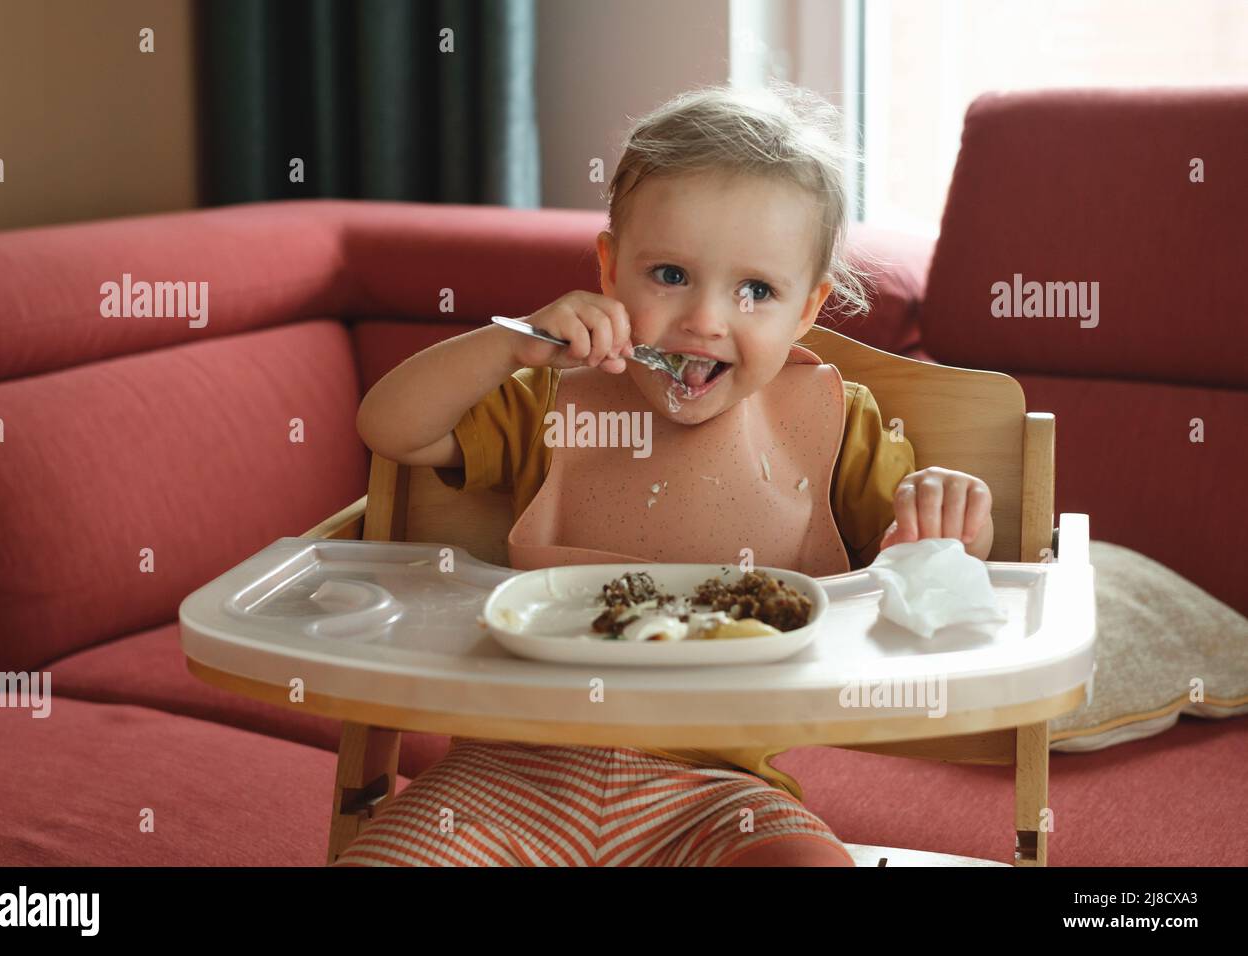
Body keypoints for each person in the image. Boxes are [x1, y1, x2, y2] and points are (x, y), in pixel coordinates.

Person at [345, 82, 994, 867]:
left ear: (808, 309)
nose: (705, 320)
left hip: (718, 794)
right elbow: (389, 427)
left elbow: (915, 575)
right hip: (509, 773)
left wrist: (943, 522)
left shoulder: (838, 426)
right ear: (611, 268)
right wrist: (507, 345)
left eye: (756, 290)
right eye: (671, 276)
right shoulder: (550, 401)